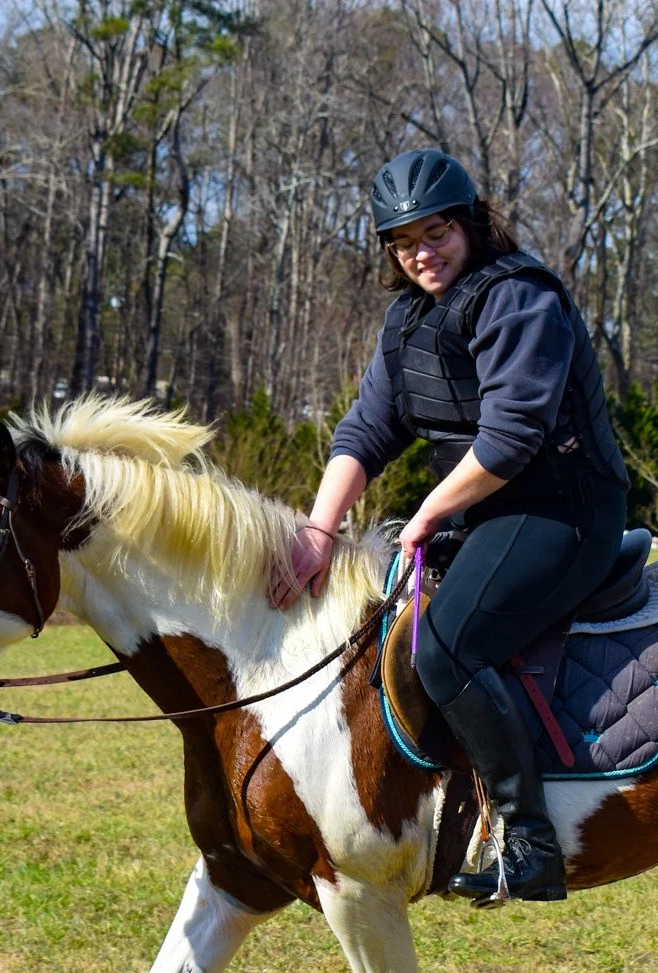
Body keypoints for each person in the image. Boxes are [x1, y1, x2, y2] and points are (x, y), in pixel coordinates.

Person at [267, 149, 629, 906]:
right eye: (404, 242)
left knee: (447, 645)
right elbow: (366, 430)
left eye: (436, 234)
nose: (422, 254)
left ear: (469, 223)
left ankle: (530, 841)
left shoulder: (519, 298)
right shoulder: (408, 323)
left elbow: (512, 436)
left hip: (565, 510)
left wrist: (429, 512)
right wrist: (317, 532)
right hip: (491, 512)